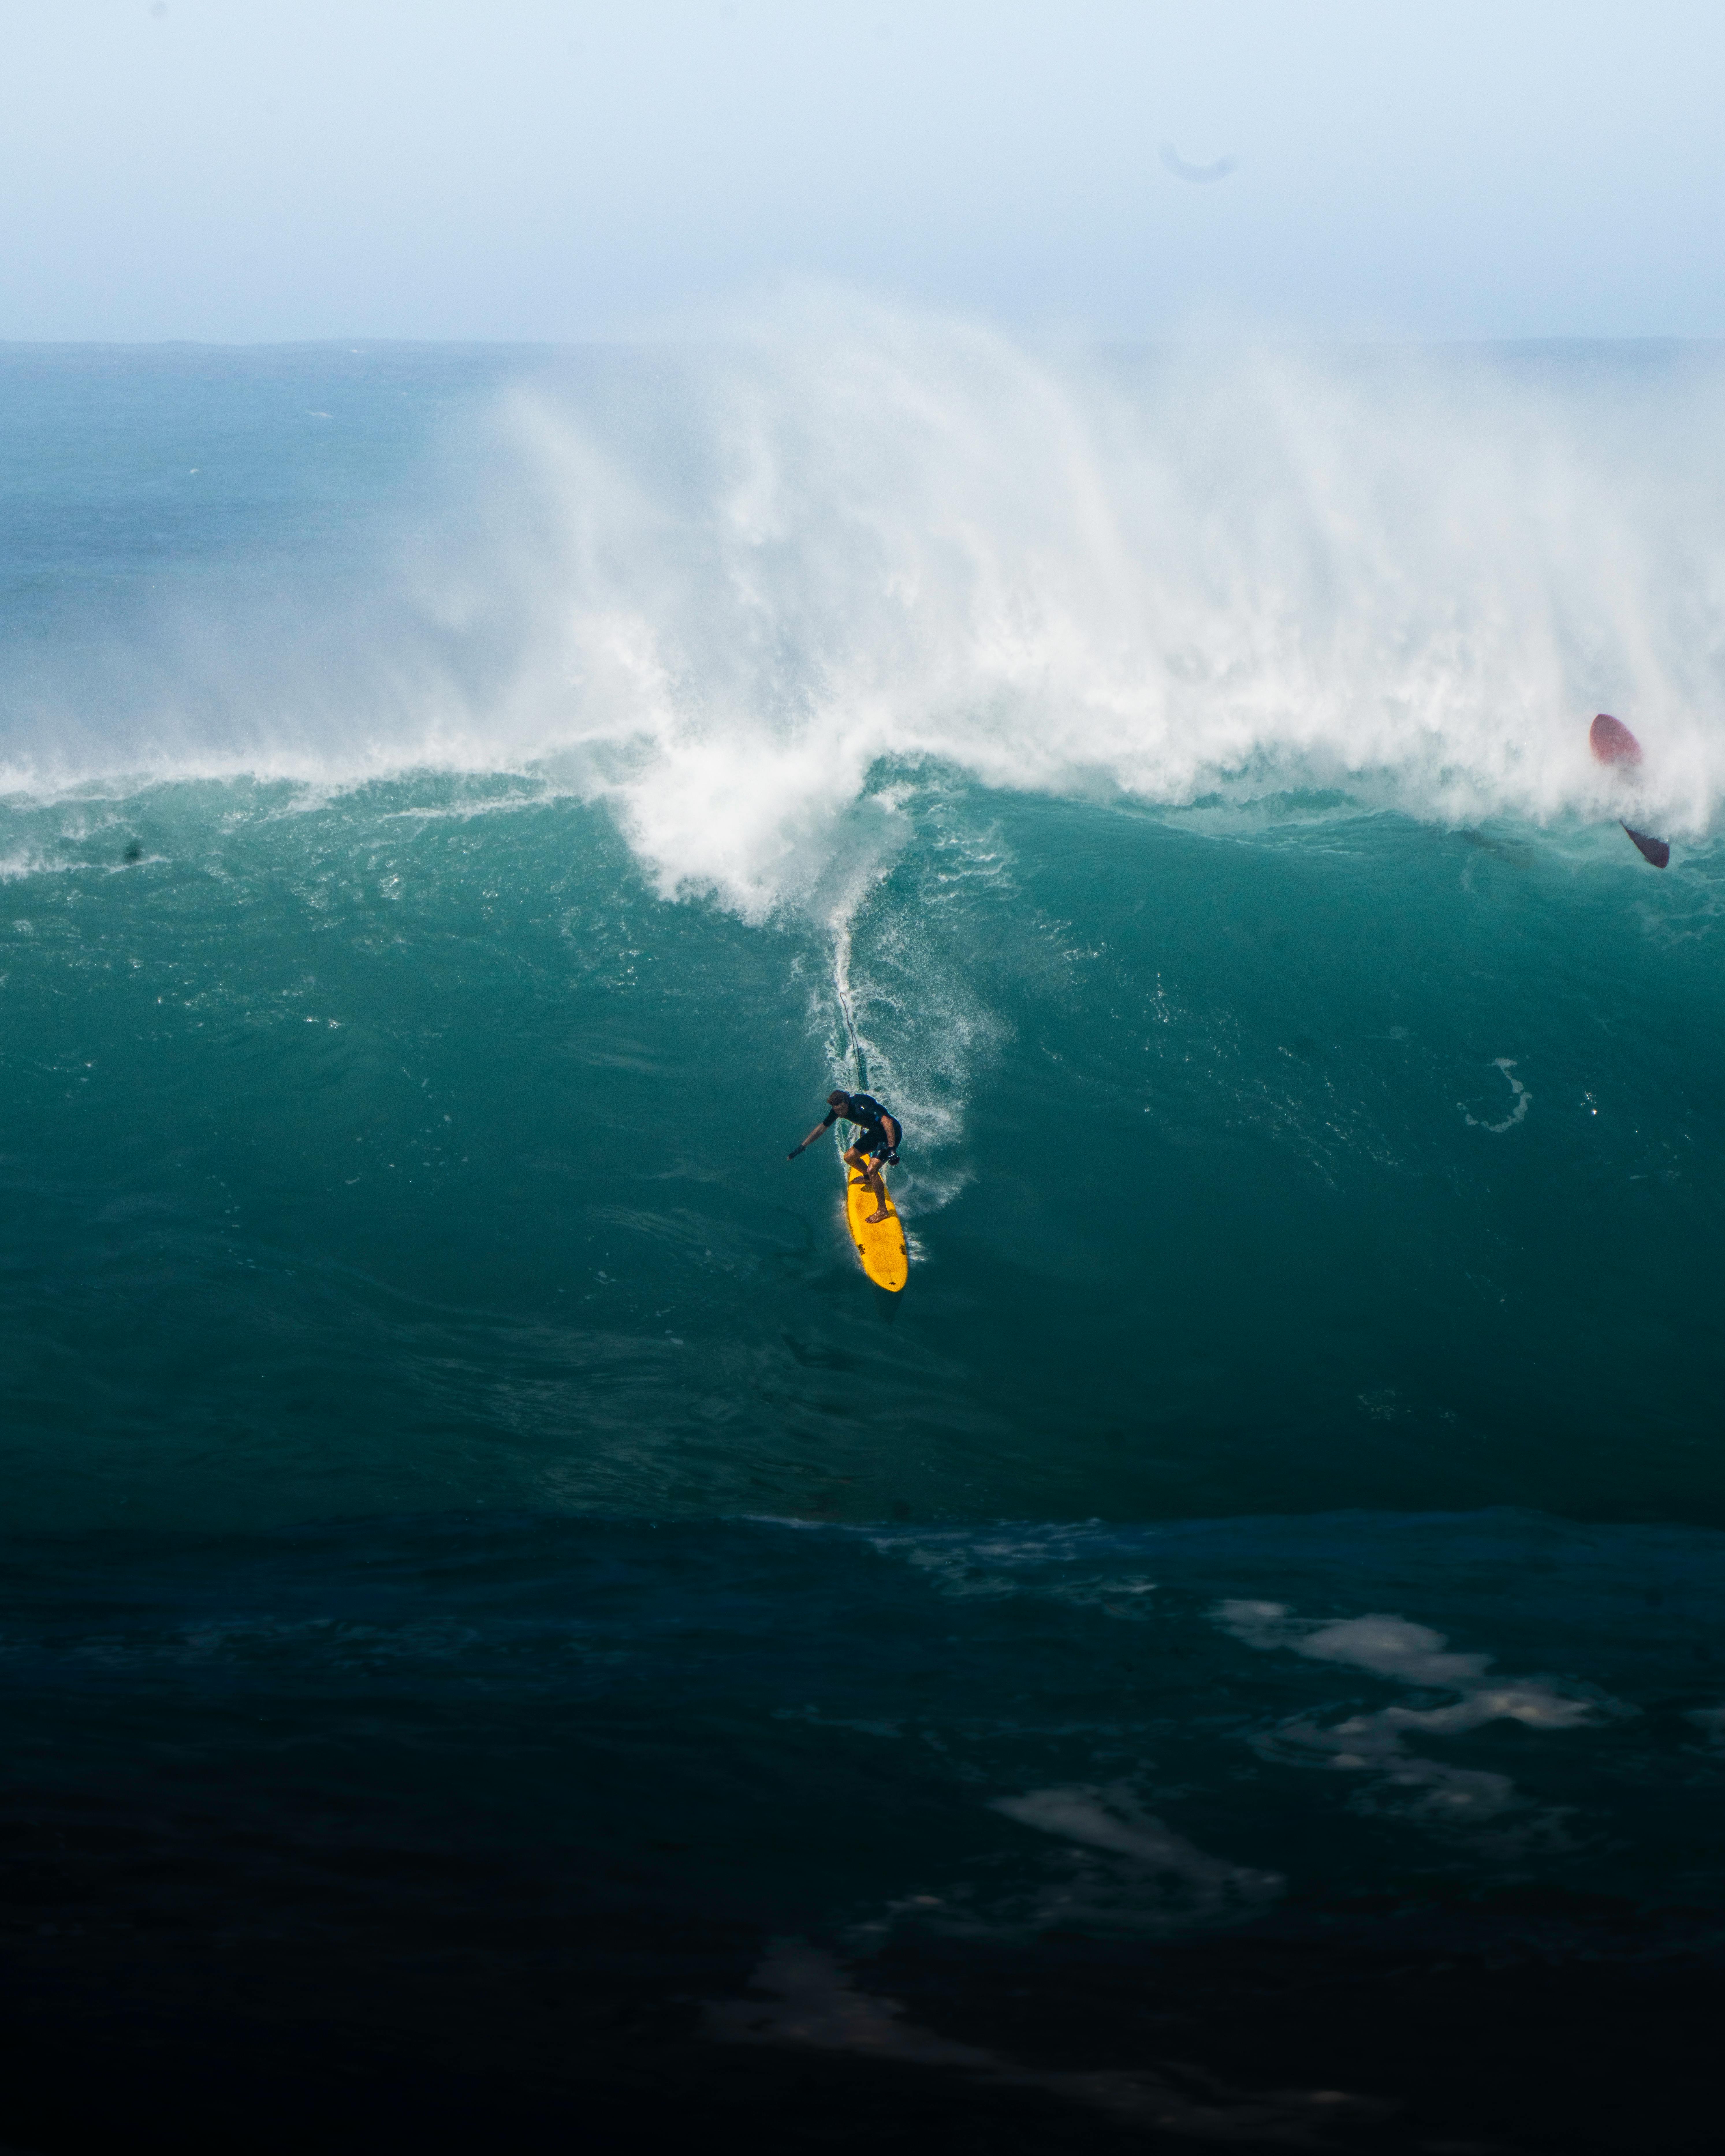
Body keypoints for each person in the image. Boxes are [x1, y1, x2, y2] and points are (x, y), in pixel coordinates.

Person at [788, 1089, 902, 1224]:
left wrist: (892, 1149)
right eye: (837, 1111)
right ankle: (868, 1178)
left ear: (847, 1103)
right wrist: (803, 1146)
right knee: (849, 1158)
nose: (840, 1114)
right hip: (875, 1134)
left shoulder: (862, 1107)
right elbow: (822, 1128)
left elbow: (888, 1122)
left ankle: (883, 1211)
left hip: (890, 1134)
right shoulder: (837, 1111)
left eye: (842, 1110)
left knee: (873, 1170)